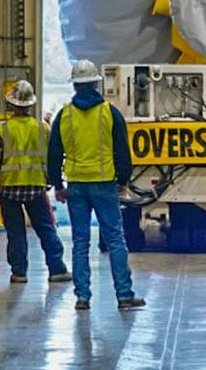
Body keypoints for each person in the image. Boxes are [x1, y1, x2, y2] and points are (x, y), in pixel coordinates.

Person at [47, 60, 145, 311]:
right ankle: (124, 295)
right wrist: (123, 180)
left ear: (76, 85)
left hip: (77, 186)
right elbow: (122, 150)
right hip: (104, 185)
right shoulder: (109, 113)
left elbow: (54, 154)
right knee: (114, 239)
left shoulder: (64, 115)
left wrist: (57, 185)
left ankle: (82, 297)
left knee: (80, 242)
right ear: (95, 83)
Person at [0, 80, 71, 284]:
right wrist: (53, 181)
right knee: (46, 228)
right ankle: (56, 269)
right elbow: (51, 157)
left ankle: (19, 272)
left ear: (12, 105)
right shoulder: (42, 128)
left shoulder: (4, 130)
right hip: (36, 186)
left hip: (9, 188)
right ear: (30, 105)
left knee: (15, 232)